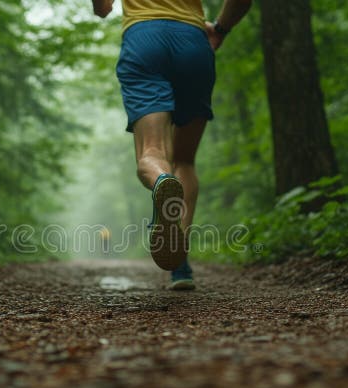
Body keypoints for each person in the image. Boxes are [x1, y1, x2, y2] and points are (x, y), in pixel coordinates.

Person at [92, 0, 252, 290]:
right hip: (193, 41)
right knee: (185, 161)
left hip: (143, 40)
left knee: (152, 153)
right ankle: (180, 265)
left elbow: (103, 8)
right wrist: (220, 29)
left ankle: (162, 181)